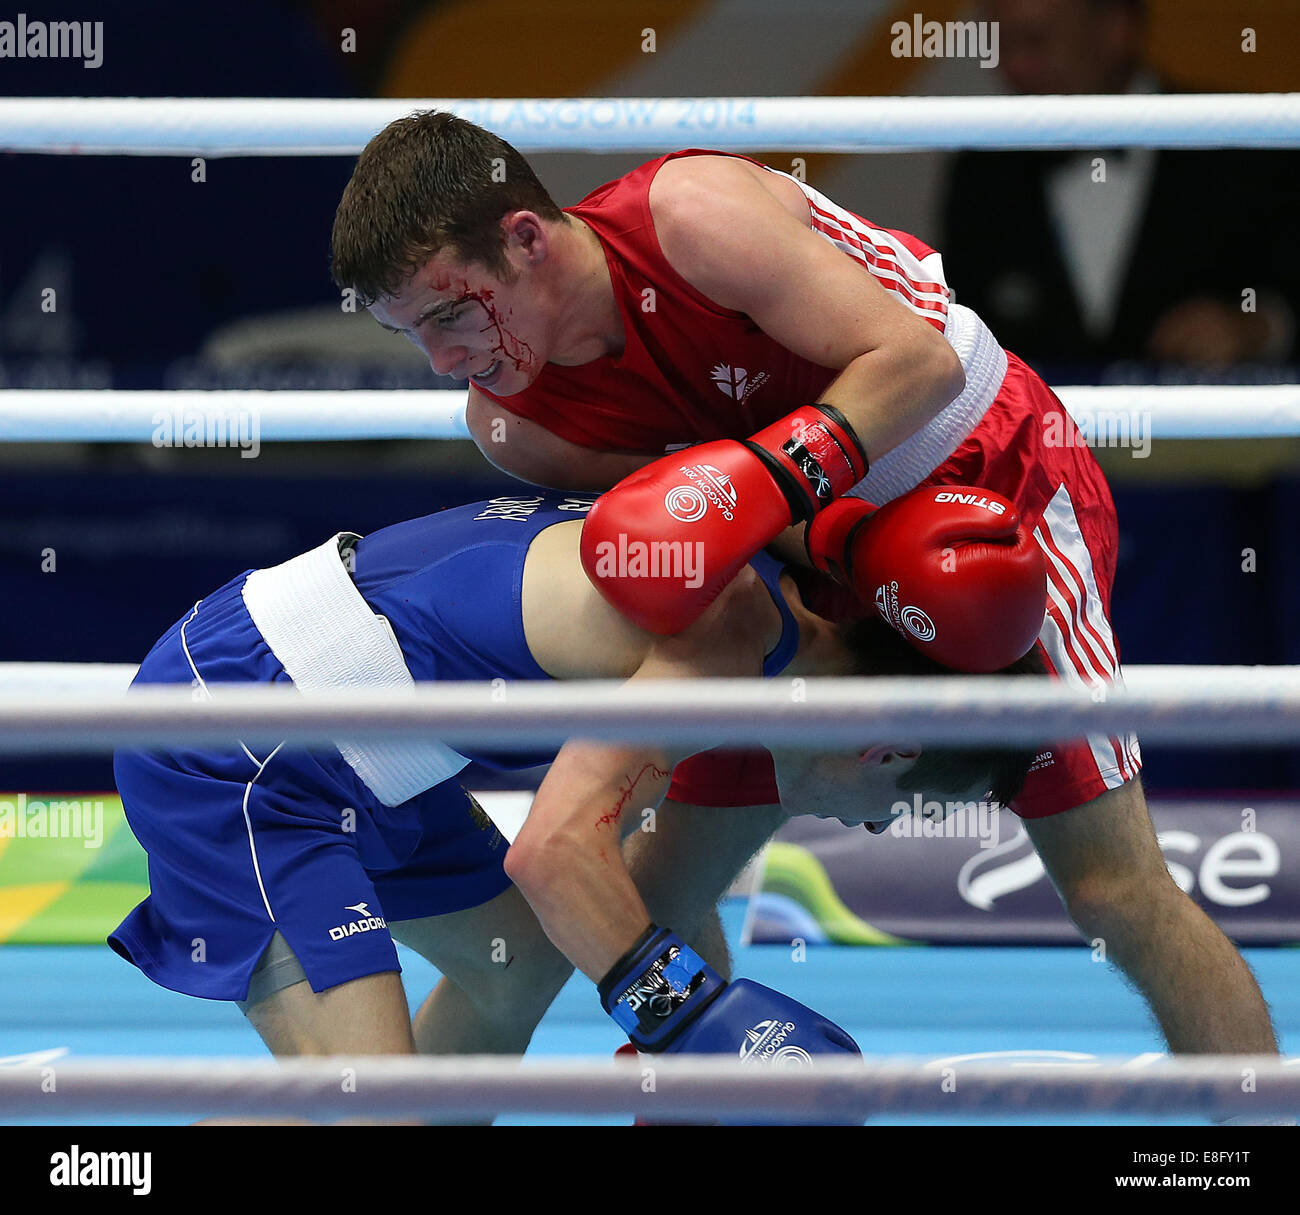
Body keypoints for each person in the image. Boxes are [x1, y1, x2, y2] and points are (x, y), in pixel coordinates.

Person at [329, 111, 1280, 1056]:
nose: (446, 359)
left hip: (979, 482)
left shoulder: (693, 216)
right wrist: (801, 525)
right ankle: (702, 1097)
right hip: (800, 550)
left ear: (525, 239)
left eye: (450, 313)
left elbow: (919, 360)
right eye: (410, 331)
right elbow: (695, 537)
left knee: (1110, 885)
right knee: (644, 898)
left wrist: (771, 477)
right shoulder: (516, 422)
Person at [110, 487, 1040, 1074]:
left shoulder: (773, 588)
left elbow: (628, 888)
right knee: (369, 1105)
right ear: (892, 754)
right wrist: (694, 1020)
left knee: (512, 969)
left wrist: (699, 1029)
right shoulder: (721, 646)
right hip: (241, 738)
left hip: (361, 744)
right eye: (898, 812)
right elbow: (555, 852)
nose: (875, 827)